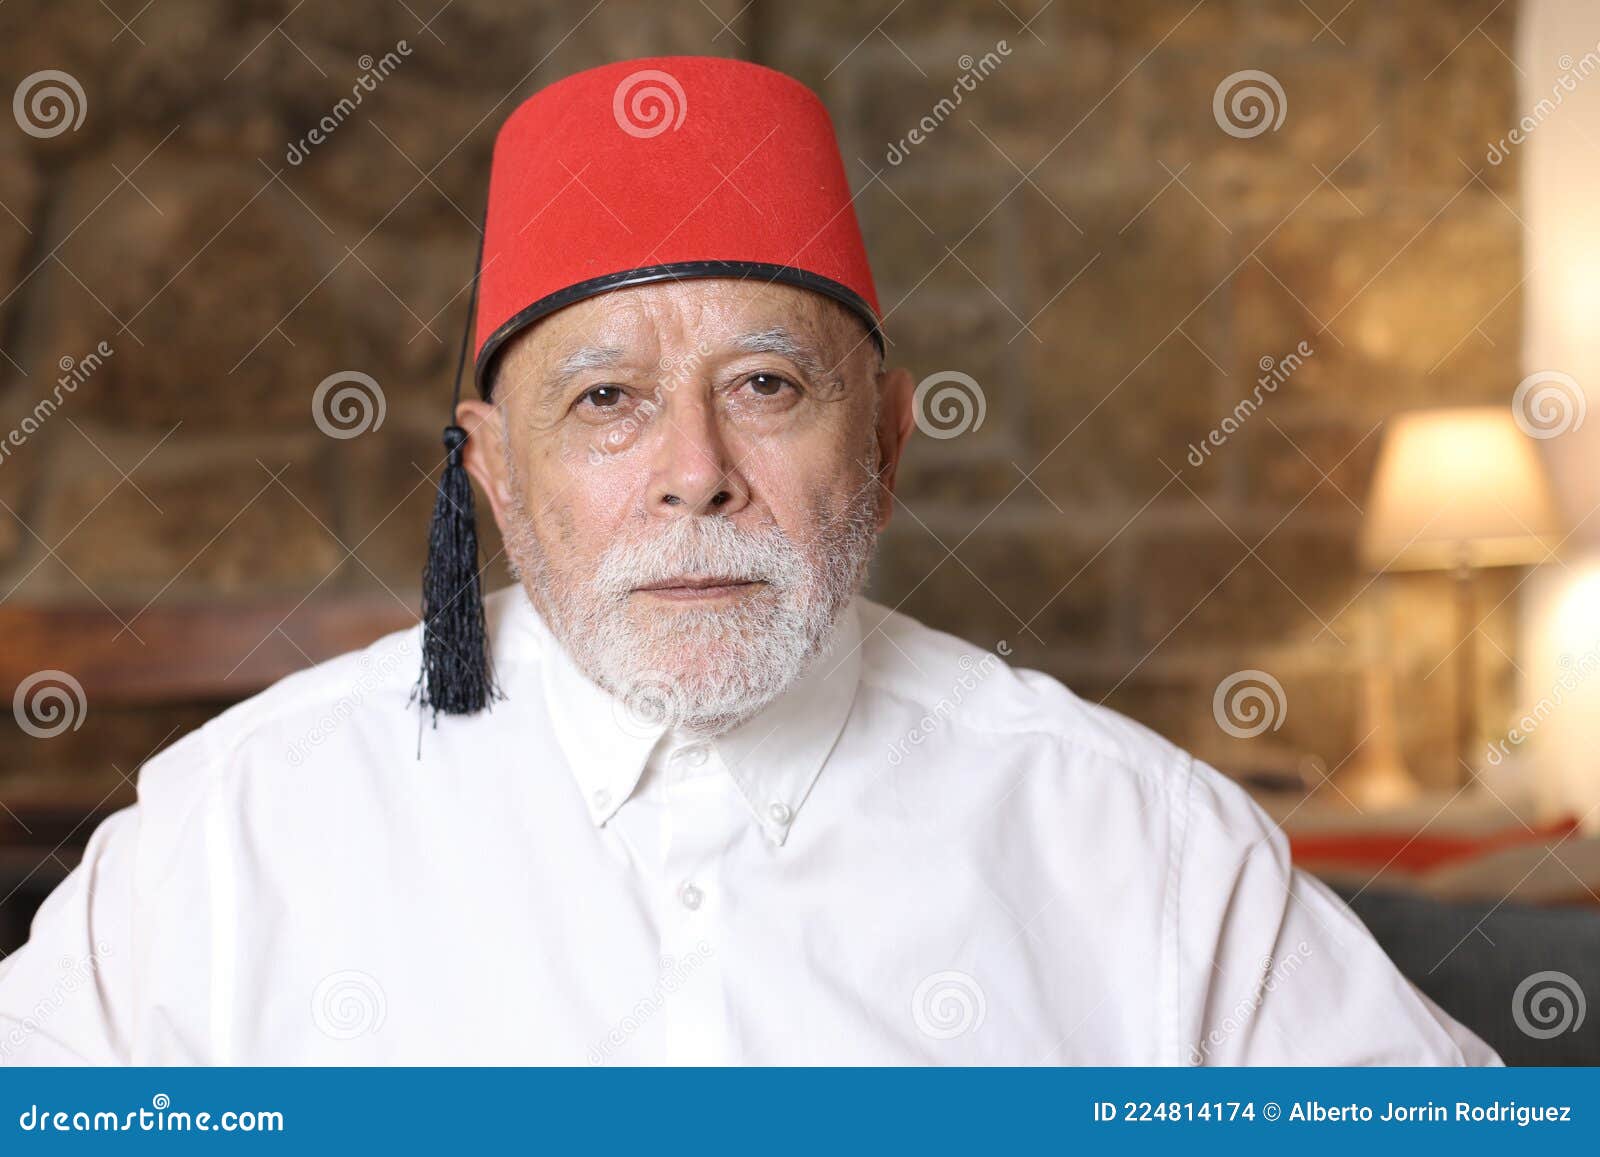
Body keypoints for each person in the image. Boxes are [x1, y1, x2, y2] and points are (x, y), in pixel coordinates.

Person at [0, 56, 1497, 1065]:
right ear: (494, 480)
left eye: (768, 385)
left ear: (891, 444)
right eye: (605, 400)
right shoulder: (230, 841)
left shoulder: (1149, 852)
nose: (696, 471)